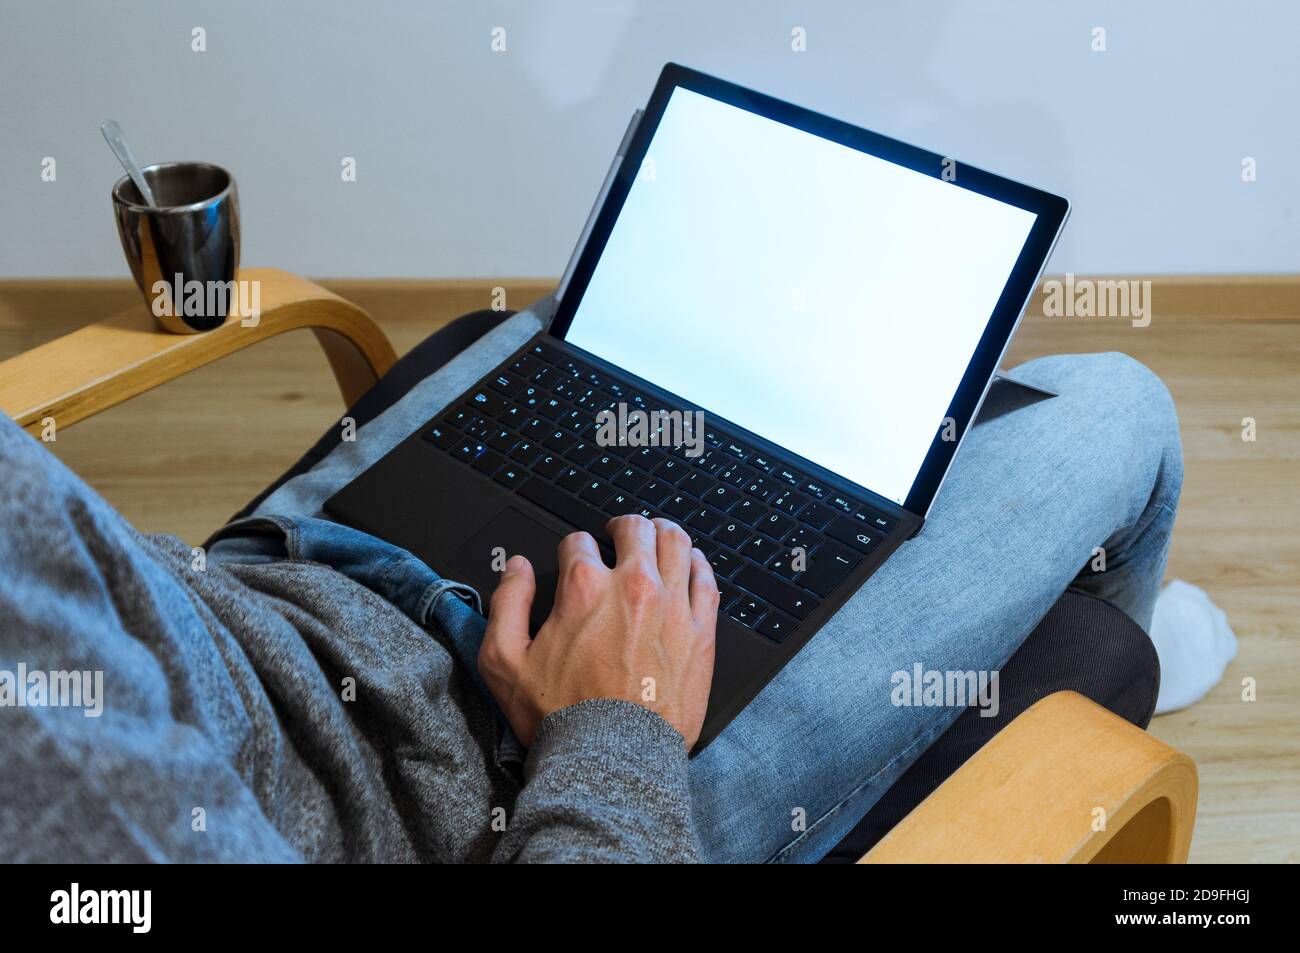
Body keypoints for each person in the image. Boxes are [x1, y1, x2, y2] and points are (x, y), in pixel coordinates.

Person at [0, 304, 1183, 863]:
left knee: (537, 344)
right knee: (1112, 404)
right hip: (519, 783)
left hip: (290, 585)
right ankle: (1084, 647)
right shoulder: (50, 786)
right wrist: (614, 723)